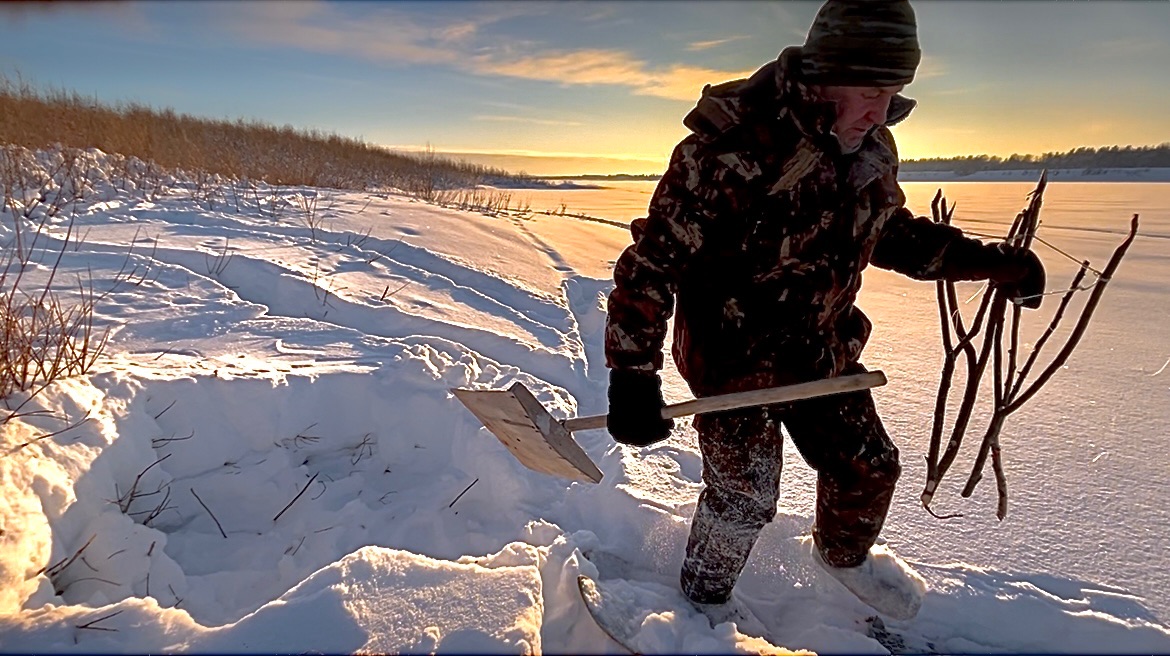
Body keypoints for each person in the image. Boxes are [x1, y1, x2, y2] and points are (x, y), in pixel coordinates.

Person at [603, 0, 1045, 619]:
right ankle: (701, 607)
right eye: (868, 90)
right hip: (732, 354)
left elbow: (887, 233)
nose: (880, 109)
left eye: (892, 92)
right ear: (822, 74)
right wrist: (633, 376)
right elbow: (652, 264)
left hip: (820, 346)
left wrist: (998, 263)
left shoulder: (870, 147)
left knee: (869, 468)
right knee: (745, 495)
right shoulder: (729, 147)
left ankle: (841, 559)